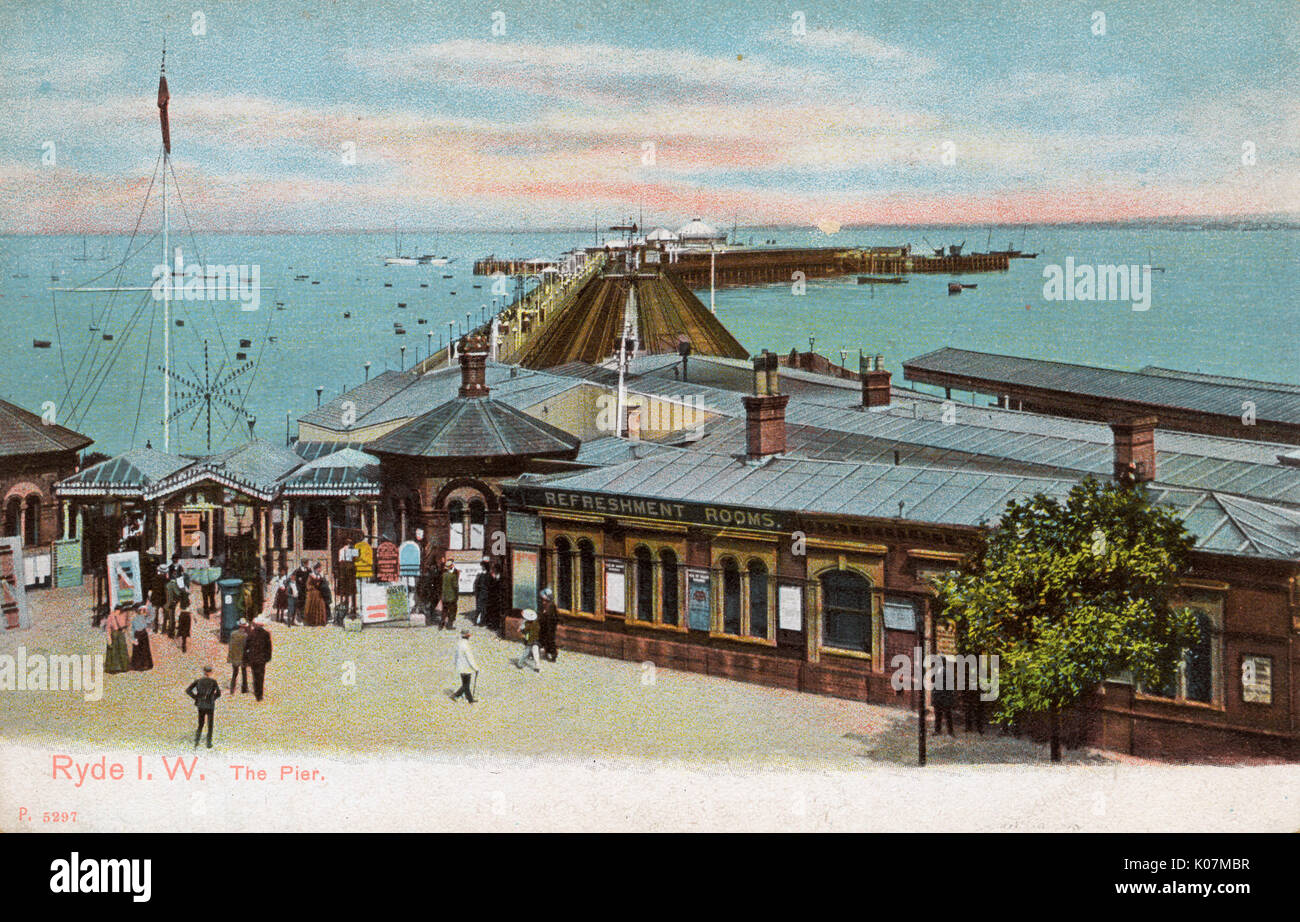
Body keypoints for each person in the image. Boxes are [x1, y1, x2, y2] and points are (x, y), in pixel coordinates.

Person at [186, 666, 221, 749]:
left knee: (200, 724)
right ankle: (209, 743)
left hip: (201, 705)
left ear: (203, 672)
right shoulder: (213, 682)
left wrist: (196, 697)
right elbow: (219, 693)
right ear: (210, 672)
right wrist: (213, 698)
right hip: (210, 705)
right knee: (210, 724)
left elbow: (188, 690)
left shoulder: (198, 681)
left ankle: (197, 741)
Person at [243, 619, 273, 701]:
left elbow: (246, 647)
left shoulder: (251, 634)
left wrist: (246, 658)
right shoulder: (266, 634)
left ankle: (256, 691)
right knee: (261, 676)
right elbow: (269, 647)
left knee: (255, 675)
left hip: (253, 658)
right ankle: (260, 694)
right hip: (262, 659)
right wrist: (268, 658)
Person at [450, 630, 480, 703]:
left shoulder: (459, 643)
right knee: (466, 685)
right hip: (466, 668)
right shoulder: (466, 646)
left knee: (465, 684)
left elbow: (456, 656)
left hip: (460, 667)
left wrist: (456, 664)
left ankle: (468, 698)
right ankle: (460, 696)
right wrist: (476, 668)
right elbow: (470, 658)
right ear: (468, 636)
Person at [104, 604, 131, 674]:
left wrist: (125, 629)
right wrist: (109, 637)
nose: (119, 612)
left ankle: (124, 667)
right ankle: (114, 668)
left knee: (122, 650)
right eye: (118, 610)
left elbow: (127, 623)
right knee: (114, 652)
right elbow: (108, 628)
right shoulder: (111, 616)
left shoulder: (123, 614)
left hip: (121, 634)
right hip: (114, 635)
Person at [164, 553, 186, 637]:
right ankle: (172, 631)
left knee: (173, 612)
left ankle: (173, 630)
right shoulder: (171, 568)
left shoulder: (179, 567)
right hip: (175, 591)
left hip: (176, 591)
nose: (175, 560)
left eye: (176, 559)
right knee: (174, 612)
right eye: (175, 559)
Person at [513, 608, 540, 673]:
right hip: (536, 639)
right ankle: (537, 666)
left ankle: (520, 663)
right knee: (535, 652)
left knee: (526, 652)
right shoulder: (536, 623)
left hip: (530, 640)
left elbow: (524, 630)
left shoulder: (527, 624)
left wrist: (521, 630)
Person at [933, 665, 956, 736]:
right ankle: (941, 731)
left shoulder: (945, 672)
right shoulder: (936, 672)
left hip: (943, 697)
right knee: (941, 715)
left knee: (945, 715)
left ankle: (947, 731)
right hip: (941, 697)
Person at [227, 619, 249, 694]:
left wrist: (229, 657)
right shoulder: (245, 636)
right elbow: (247, 647)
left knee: (234, 673)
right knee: (244, 673)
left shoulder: (233, 634)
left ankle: (232, 689)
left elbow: (231, 646)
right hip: (243, 657)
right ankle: (244, 689)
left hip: (235, 656)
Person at [129, 603, 153, 671]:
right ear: (138, 610)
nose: (143, 611)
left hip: (142, 634)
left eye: (143, 609)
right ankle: (139, 665)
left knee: (144, 650)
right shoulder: (135, 618)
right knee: (139, 650)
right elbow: (132, 629)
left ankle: (144, 665)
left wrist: (149, 607)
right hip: (139, 634)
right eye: (141, 609)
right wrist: (133, 638)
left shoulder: (143, 617)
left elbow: (150, 619)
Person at [537, 587, 559, 662]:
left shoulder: (551, 606)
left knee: (550, 641)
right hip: (544, 627)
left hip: (550, 627)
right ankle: (545, 652)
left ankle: (553, 655)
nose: (543, 601)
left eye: (544, 599)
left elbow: (552, 618)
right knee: (543, 640)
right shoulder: (545, 605)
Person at [439, 559, 460, 630]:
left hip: (444, 597)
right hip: (451, 597)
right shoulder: (453, 576)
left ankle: (441, 625)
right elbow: (455, 586)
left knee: (444, 611)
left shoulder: (444, 575)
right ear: (451, 566)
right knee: (452, 612)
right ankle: (449, 625)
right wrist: (457, 595)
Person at [473, 558, 493, 626]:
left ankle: (482, 621)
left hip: (486, 594)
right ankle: (476, 621)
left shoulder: (489, 575)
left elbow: (490, 586)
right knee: (478, 608)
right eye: (482, 566)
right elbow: (476, 584)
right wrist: (476, 592)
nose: (482, 567)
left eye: (483, 566)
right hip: (480, 593)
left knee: (484, 609)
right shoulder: (480, 575)